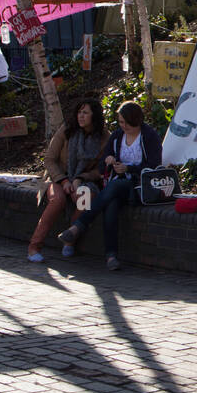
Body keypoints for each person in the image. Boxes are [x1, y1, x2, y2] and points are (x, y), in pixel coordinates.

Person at [59, 100, 163, 271]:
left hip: (140, 186)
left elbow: (154, 165)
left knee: (114, 188)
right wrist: (109, 161)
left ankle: (79, 225)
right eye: (121, 122)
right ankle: (111, 256)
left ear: (136, 120)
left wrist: (129, 168)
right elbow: (101, 165)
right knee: (111, 204)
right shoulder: (117, 136)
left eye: (127, 123)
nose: (124, 126)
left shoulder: (149, 136)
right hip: (118, 185)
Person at [28, 99, 108, 263]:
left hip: (83, 180)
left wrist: (80, 178)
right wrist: (64, 181)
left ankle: (70, 239)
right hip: (59, 178)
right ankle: (34, 246)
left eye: (85, 113)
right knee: (57, 200)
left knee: (85, 197)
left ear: (95, 116)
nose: (81, 116)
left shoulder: (104, 137)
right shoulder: (66, 130)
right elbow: (49, 160)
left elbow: (101, 169)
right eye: (79, 112)